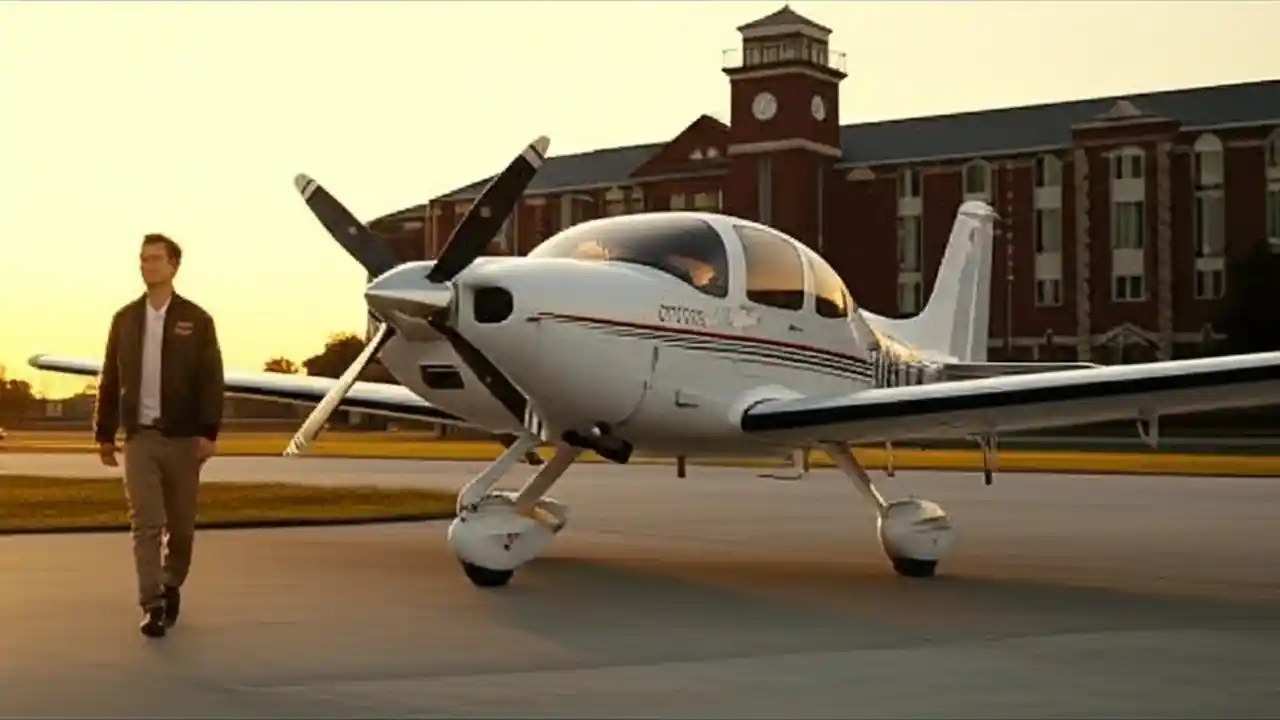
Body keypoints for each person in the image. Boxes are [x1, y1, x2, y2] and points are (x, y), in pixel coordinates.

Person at [94, 233, 224, 638]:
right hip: (141, 438)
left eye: (155, 259)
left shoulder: (197, 320)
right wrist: (104, 431)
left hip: (184, 439)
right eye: (143, 259)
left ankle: (171, 583)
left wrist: (208, 432)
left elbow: (211, 380)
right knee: (145, 524)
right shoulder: (125, 319)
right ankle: (151, 604)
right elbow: (110, 377)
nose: (147, 266)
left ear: (173, 266)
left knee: (182, 529)